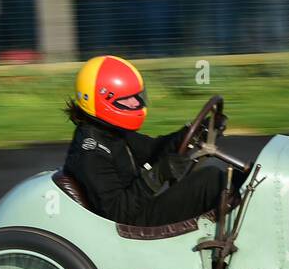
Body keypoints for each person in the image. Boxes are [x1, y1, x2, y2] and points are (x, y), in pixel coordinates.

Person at [64, 56, 228, 227]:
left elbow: (155, 149)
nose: (136, 103)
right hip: (126, 226)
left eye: (136, 96)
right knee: (210, 182)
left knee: (219, 178)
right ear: (103, 99)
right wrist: (157, 175)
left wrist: (194, 132)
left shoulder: (111, 132)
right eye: (127, 98)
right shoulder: (91, 152)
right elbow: (117, 211)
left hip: (136, 211)